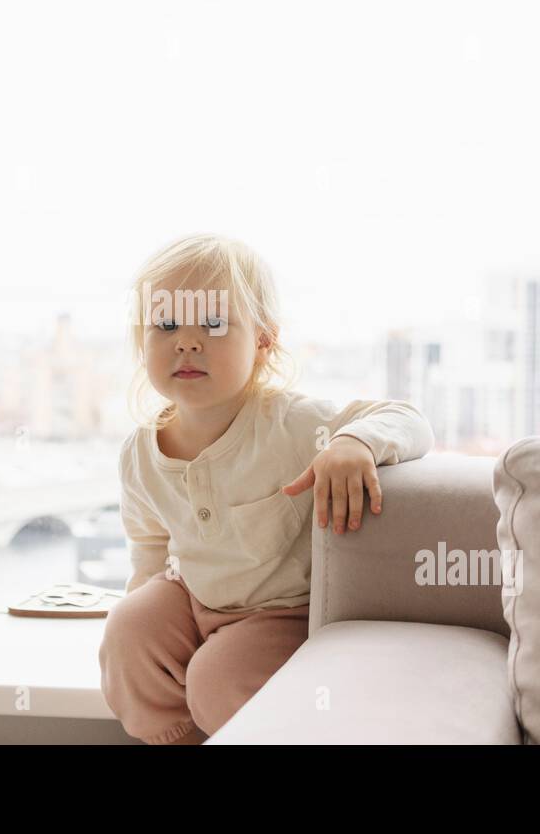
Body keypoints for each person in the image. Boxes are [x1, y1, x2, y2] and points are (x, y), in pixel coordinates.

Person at [98, 232, 435, 744]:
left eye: (213, 323)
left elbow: (407, 418)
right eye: (165, 324)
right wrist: (149, 616)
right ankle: (177, 737)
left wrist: (354, 441)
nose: (186, 341)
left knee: (218, 679)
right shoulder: (140, 452)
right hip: (194, 597)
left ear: (263, 340)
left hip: (284, 614)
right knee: (128, 627)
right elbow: (149, 546)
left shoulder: (292, 423)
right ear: (141, 341)